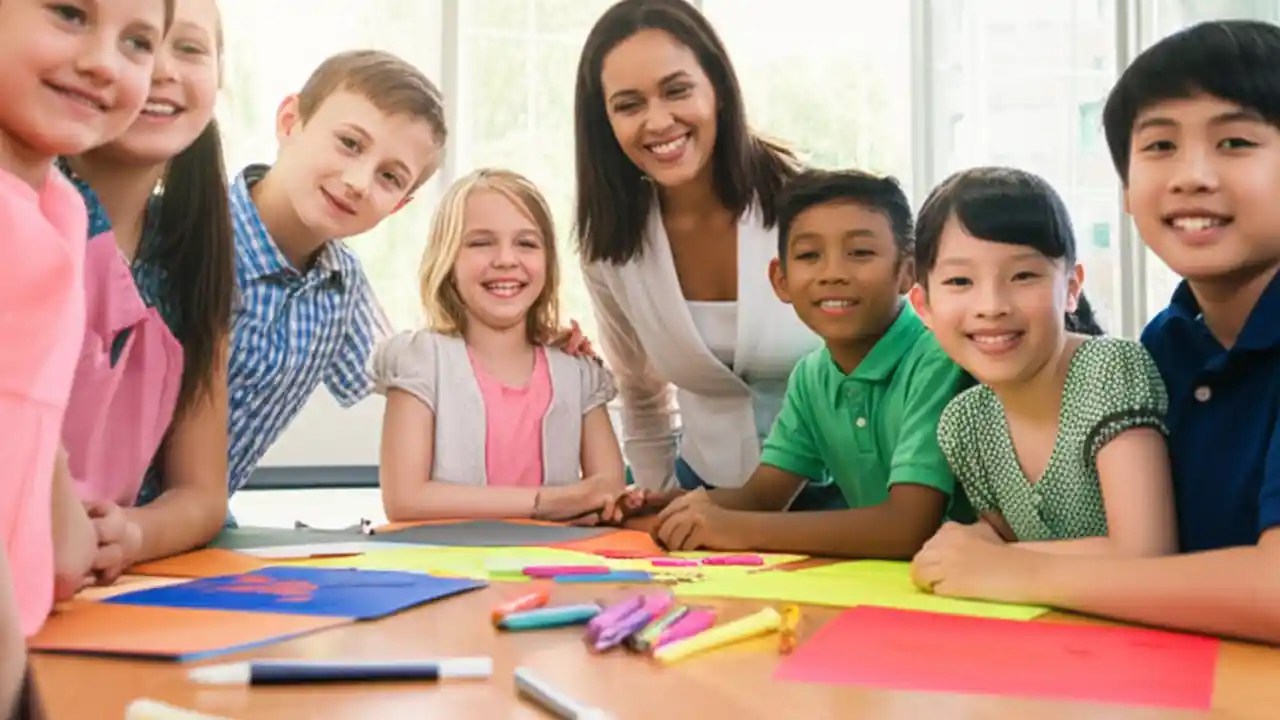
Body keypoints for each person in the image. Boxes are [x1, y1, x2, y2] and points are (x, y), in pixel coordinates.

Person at [911, 20, 1280, 645]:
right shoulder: (1169, 342)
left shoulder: (1118, 366)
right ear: (1128, 193)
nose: (1192, 175)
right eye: (1160, 147)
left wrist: (1015, 573)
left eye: (1236, 141)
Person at [574, 0, 834, 507]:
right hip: (703, 498)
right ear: (604, 122)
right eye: (628, 105)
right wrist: (662, 499)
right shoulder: (610, 247)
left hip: (847, 498)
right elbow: (642, 394)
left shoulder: (814, 210)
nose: (658, 121)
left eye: (677, 90)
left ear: (717, 89)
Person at [648, 169, 969, 556]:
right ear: (780, 280)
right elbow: (764, 495)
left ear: (907, 272)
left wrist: (736, 528)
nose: (833, 274)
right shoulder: (811, 375)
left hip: (974, 592)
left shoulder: (939, 358)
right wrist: (679, 506)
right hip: (885, 588)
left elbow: (908, 527)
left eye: (860, 253)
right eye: (809, 256)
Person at [0, 0, 170, 636]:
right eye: (69, 14)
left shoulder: (63, 213)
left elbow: (63, 558)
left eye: (136, 42)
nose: (102, 63)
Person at [908, 167, 1176, 556]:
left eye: (1023, 275)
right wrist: (975, 542)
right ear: (923, 306)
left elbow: (1145, 551)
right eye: (960, 282)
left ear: (1071, 288)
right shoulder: (965, 423)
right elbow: (1002, 540)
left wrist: (991, 560)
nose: (991, 307)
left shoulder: (1108, 370)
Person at [58, 0, 232, 585]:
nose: (162, 70)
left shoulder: (193, 254)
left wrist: (130, 534)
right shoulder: (33, 213)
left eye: (189, 48)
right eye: (141, 44)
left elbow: (202, 493)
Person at [224, 49, 444, 498]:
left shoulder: (343, 286)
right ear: (290, 122)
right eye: (349, 143)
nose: (359, 181)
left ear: (400, 204)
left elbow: (413, 376)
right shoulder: (187, 235)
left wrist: (536, 350)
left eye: (390, 177)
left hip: (196, 531)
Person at [375, 169, 626, 523]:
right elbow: (405, 499)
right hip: (447, 567)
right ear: (448, 261)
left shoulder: (579, 370)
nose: (506, 259)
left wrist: (585, 504)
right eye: (480, 243)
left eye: (526, 243)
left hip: (555, 566)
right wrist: (546, 502)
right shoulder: (421, 362)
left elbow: (607, 489)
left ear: (548, 263)